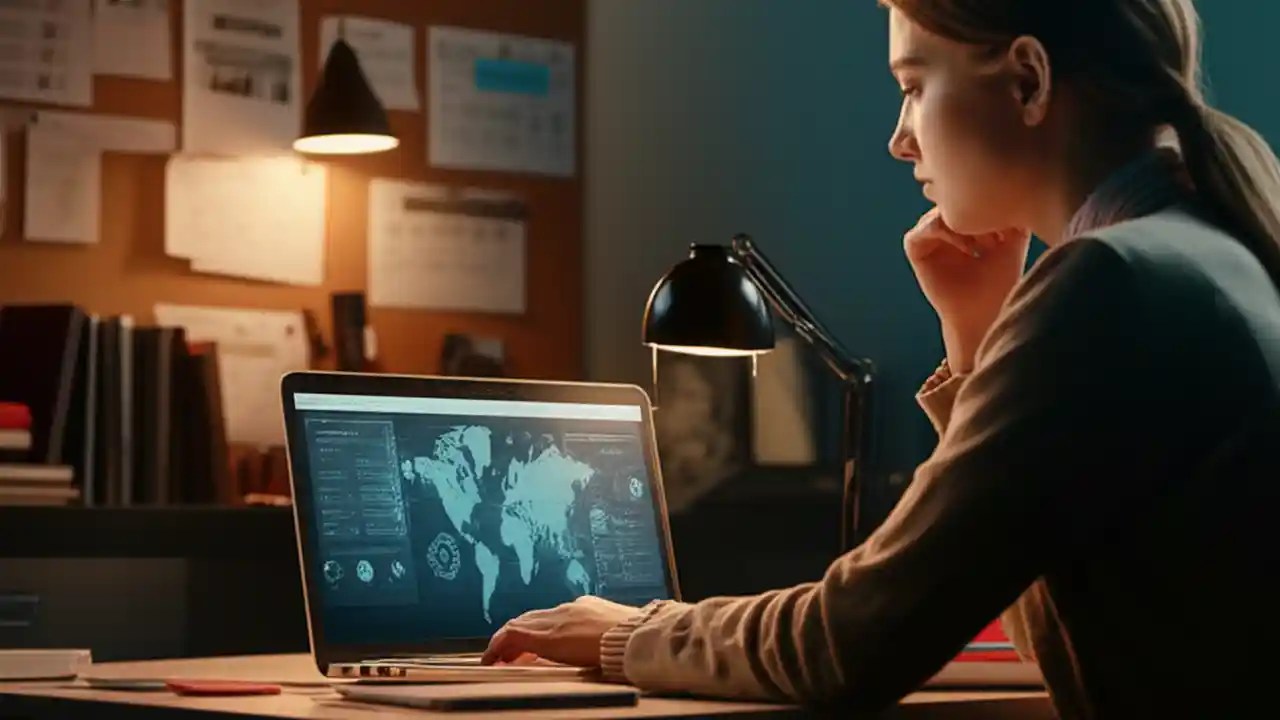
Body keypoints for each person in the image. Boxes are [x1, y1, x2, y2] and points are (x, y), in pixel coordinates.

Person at [481, 1, 1280, 716]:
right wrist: (979, 336)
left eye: (913, 85)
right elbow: (1043, 626)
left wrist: (633, 632)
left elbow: (849, 642)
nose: (900, 139)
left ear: (1029, 81)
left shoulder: (1113, 283)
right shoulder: (1211, 252)